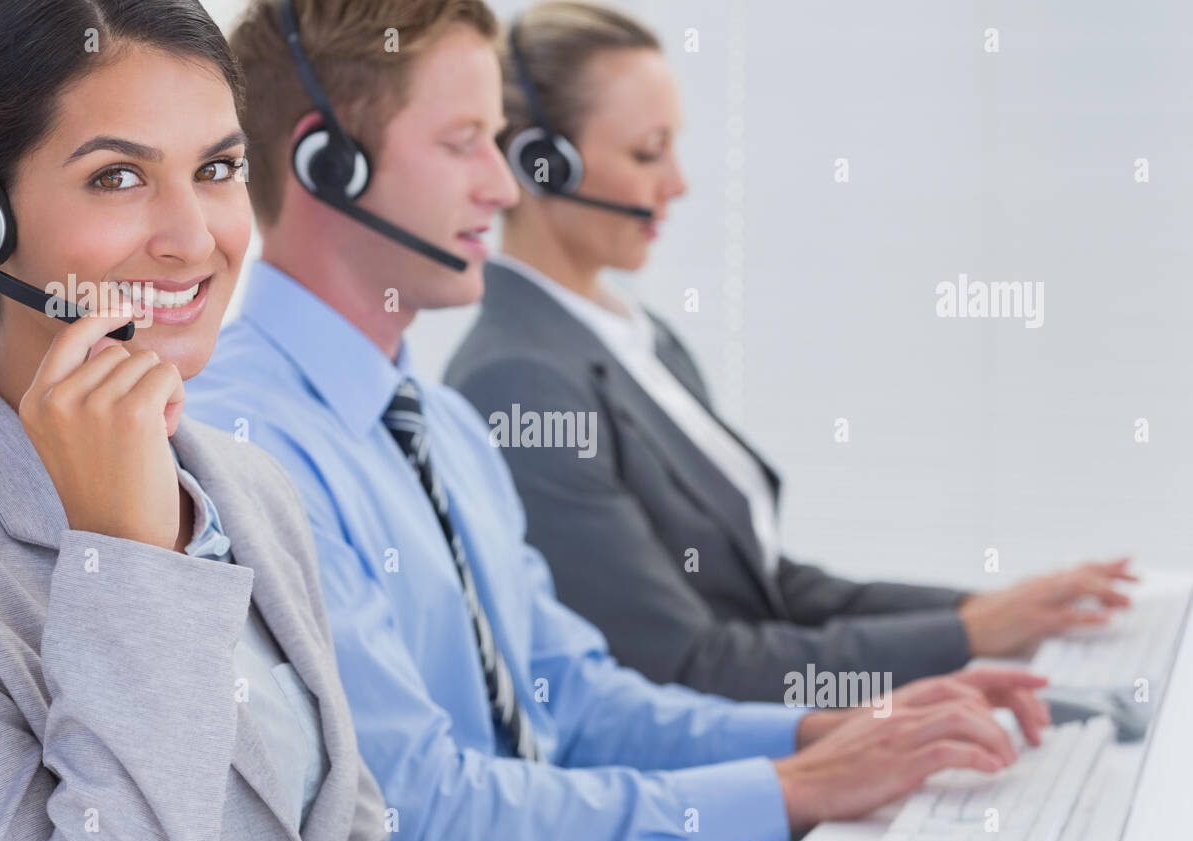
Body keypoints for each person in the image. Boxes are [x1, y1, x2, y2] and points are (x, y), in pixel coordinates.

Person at [186, 0, 1050, 841]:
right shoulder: (245, 448)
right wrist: (793, 790)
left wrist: (826, 730)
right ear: (326, 163)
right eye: (462, 144)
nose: (502, 183)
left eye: (499, 140)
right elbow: (417, 813)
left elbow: (580, 702)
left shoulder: (442, 428)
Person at [443, 0, 1136, 703]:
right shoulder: (521, 383)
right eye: (648, 152)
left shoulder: (632, 334)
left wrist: (989, 614)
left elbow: (766, 587)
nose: (677, 183)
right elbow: (684, 664)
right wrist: (962, 641)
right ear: (540, 165)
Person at [0, 0, 389, 841]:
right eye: (118, 176)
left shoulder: (249, 489)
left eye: (218, 168)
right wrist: (124, 561)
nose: (193, 237)